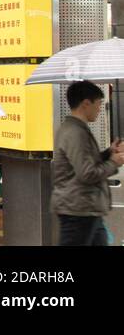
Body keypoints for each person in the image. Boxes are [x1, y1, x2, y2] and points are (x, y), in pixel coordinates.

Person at [52, 81, 124, 246]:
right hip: (77, 209)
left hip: (85, 207)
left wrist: (108, 152)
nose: (100, 109)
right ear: (86, 104)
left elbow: (83, 162)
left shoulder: (76, 129)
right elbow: (87, 173)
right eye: (98, 104)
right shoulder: (75, 133)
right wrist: (114, 162)